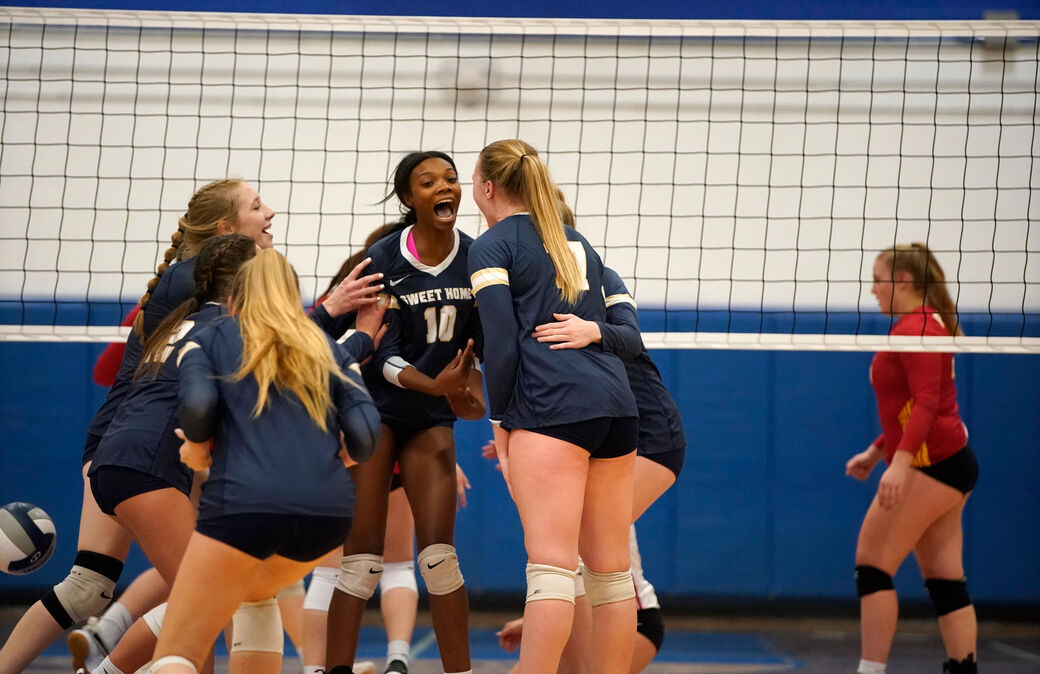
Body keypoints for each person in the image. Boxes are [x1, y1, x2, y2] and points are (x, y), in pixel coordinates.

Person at [0, 178, 276, 674]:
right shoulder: (199, 283)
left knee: (91, 586)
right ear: (225, 229)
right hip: (140, 445)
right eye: (256, 206)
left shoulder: (193, 283)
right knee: (208, 594)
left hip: (134, 444)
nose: (269, 213)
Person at [148, 248, 381, 674]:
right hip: (326, 517)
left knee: (175, 655)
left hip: (243, 507)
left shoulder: (209, 337)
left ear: (234, 301)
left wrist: (195, 450)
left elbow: (198, 409)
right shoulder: (328, 347)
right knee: (255, 597)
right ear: (294, 300)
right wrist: (337, 458)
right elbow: (366, 438)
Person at [467, 139, 639, 674]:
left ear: (488, 188)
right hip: (616, 408)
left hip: (552, 410)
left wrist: (500, 421)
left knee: (551, 571)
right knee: (611, 573)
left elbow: (500, 344)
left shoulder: (492, 245)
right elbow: (626, 333)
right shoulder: (578, 242)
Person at [323, 151, 483, 674]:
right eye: (429, 181)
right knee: (361, 564)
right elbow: (380, 351)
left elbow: (485, 349)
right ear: (409, 197)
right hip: (376, 410)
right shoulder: (384, 259)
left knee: (439, 562)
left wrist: (473, 396)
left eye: (452, 178)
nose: (446, 187)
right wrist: (436, 385)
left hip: (431, 419)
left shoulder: (481, 259)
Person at [846, 243, 978, 674]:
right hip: (948, 462)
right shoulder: (922, 326)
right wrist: (876, 450)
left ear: (903, 281)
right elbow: (916, 407)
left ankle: (870, 670)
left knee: (873, 566)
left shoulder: (916, 330)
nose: (872, 290)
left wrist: (899, 464)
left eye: (878, 280)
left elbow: (927, 403)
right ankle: (964, 668)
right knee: (944, 580)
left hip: (931, 464)